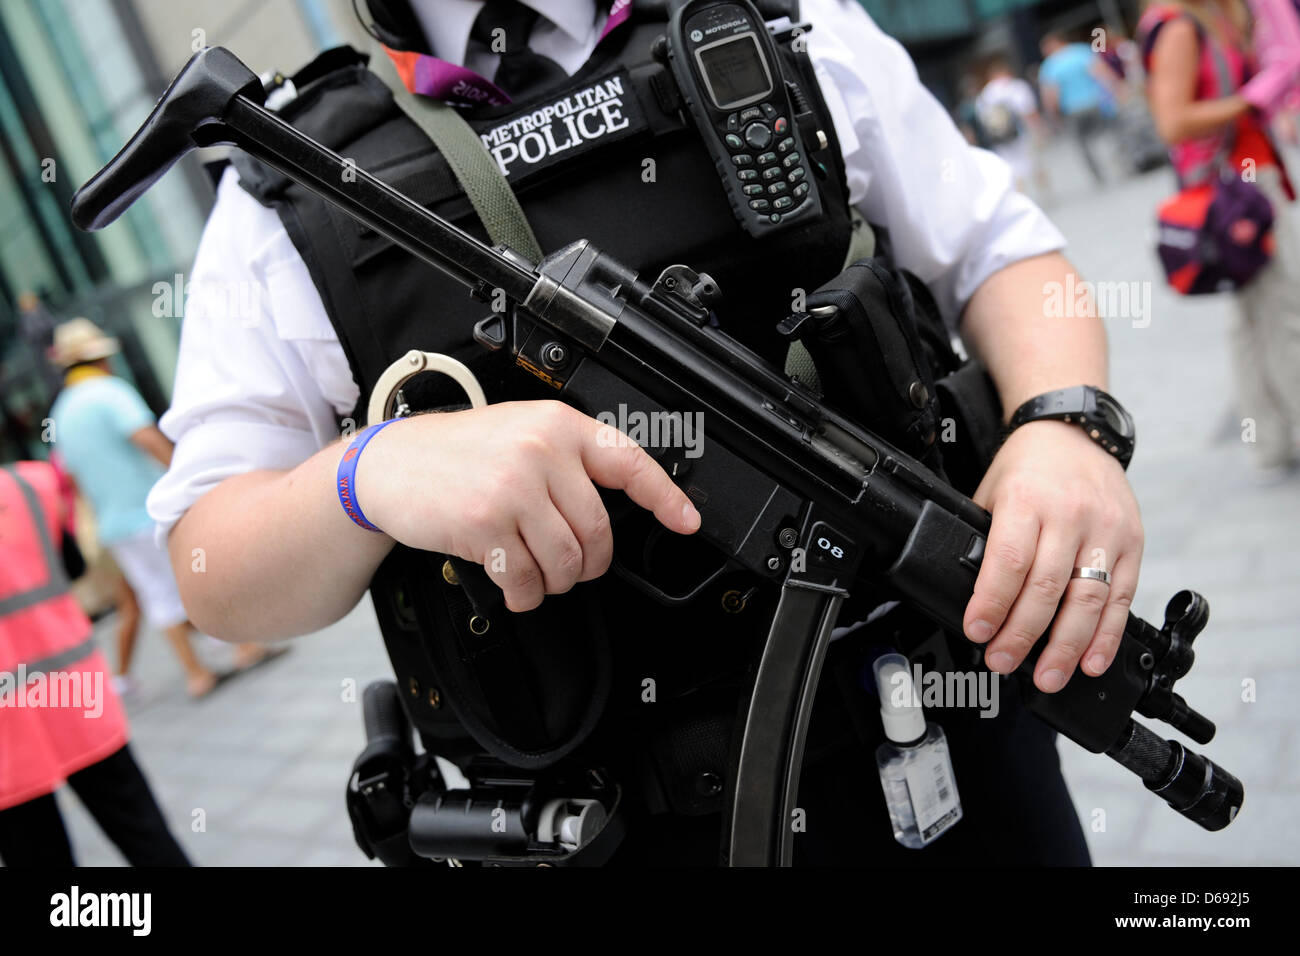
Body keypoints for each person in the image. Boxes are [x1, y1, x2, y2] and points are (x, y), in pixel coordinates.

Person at [145, 0, 1150, 865]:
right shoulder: (287, 191)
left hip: (958, 738)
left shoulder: (785, 26)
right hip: (614, 828)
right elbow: (210, 560)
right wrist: (372, 470)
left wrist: (1067, 424)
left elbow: (998, 249)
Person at [47, 318, 271, 698]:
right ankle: (245, 647)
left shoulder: (60, 413)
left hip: (113, 524)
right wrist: (186, 473)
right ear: (99, 358)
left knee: (157, 595)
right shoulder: (109, 392)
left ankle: (196, 674)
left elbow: (72, 479)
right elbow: (146, 436)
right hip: (151, 510)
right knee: (201, 576)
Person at [0, 460, 190, 866]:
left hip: (8, 731)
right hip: (72, 690)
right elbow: (73, 567)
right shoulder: (32, 483)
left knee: (36, 853)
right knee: (141, 828)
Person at [1142, 0, 1300, 479]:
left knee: (1253, 317)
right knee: (1285, 310)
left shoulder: (1208, 17)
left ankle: (1269, 442)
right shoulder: (1179, 26)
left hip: (1243, 181)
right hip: (1240, 189)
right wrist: (1254, 99)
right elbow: (1172, 121)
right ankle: (1278, 433)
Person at [1039, 30, 1114, 183]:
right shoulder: (1081, 51)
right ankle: (1114, 163)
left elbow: (1051, 94)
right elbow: (1101, 73)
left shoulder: (1050, 65)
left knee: (1082, 145)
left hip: (1072, 110)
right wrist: (1116, 89)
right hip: (1094, 102)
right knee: (1105, 134)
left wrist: (1053, 116)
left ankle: (1098, 174)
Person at [975, 55, 1043, 192]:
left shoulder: (986, 93)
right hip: (1021, 132)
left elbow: (983, 117)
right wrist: (1039, 130)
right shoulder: (1015, 86)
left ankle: (1022, 195)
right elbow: (1028, 110)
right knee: (1034, 163)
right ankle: (1044, 193)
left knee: (1011, 167)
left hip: (999, 136)